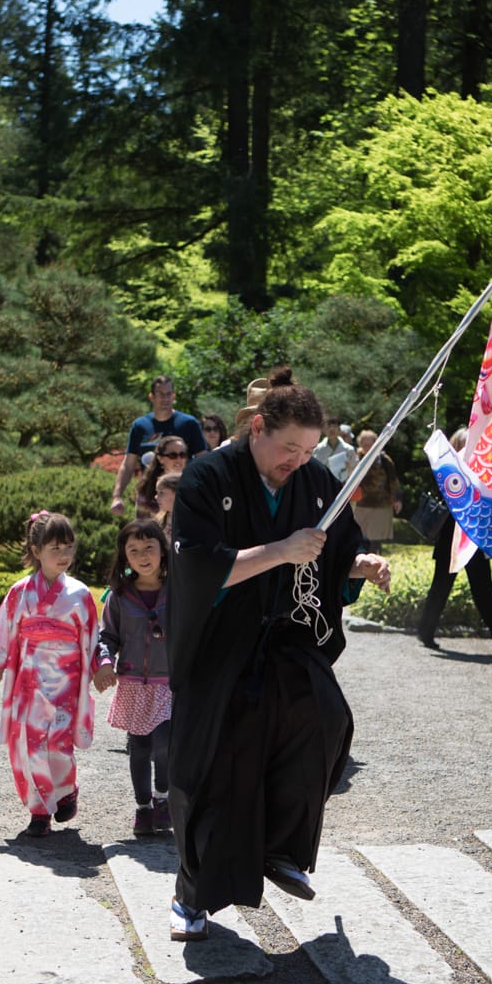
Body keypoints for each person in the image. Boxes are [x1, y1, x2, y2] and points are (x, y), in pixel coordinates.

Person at [165, 367, 391, 942]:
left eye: (309, 450)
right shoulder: (207, 476)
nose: (299, 460)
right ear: (259, 428)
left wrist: (359, 565)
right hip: (218, 643)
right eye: (290, 447)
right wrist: (280, 550)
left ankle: (283, 849)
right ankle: (192, 895)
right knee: (215, 768)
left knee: (324, 718)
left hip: (286, 636)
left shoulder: (314, 481)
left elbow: (336, 547)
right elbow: (201, 568)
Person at [0, 511, 100, 840]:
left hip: (65, 680)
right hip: (30, 681)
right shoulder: (20, 592)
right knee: (30, 744)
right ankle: (39, 811)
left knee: (58, 743)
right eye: (55, 548)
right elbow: (8, 634)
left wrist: (98, 669)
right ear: (36, 551)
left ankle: (65, 790)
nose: (64, 555)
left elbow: (91, 638)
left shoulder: (80, 594)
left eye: (69, 547)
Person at [93, 520, 174, 838]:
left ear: (162, 550)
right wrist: (104, 663)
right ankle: (143, 808)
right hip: (132, 684)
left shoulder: (178, 590)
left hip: (168, 683)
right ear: (124, 556)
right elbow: (107, 637)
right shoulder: (119, 596)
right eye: (134, 550)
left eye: (149, 548)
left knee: (165, 743)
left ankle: (162, 797)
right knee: (139, 748)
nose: (143, 556)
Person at [416, 428, 492, 654]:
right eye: (465, 443)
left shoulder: (478, 471)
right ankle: (425, 631)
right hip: (450, 538)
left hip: (472, 538)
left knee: (483, 587)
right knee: (441, 586)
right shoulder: (447, 469)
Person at [111, 376, 207, 516]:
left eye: (168, 394)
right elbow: (128, 464)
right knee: (144, 530)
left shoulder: (189, 424)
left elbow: (203, 461)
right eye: (160, 394)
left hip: (181, 495)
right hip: (148, 497)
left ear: (173, 396)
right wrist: (117, 496)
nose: (165, 398)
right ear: (151, 397)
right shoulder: (140, 426)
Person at [351, 429, 402, 550]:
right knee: (360, 539)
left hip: (381, 505)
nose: (367, 447)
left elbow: (393, 481)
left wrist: (397, 499)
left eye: (370, 444)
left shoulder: (384, 460)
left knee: (375, 542)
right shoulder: (355, 458)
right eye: (364, 444)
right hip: (361, 505)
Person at [136, 434, 189, 518]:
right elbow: (142, 522)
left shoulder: (195, 485)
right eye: (173, 455)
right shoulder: (147, 491)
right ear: (160, 458)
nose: (179, 459)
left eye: (183, 454)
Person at [312, 415, 355, 481]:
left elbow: (354, 469)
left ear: (339, 429)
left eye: (334, 426)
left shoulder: (349, 449)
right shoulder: (317, 449)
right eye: (328, 426)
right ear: (323, 430)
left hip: (343, 483)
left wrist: (349, 467)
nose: (331, 429)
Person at [154, 470, 181, 539]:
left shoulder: (190, 520)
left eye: (161, 492)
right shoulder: (159, 519)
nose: (156, 497)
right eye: (157, 492)